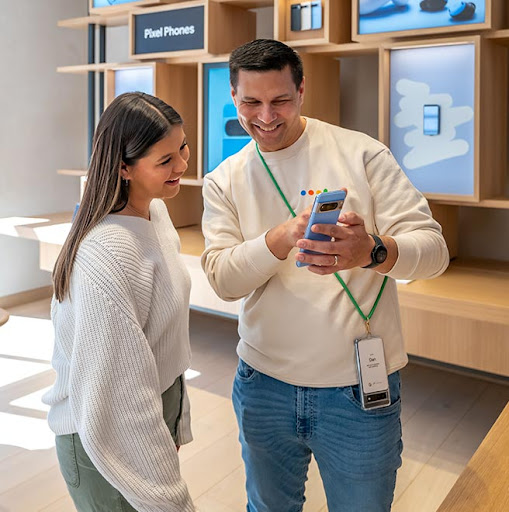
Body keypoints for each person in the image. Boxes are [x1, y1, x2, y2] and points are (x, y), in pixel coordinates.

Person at [201, 39, 449, 512]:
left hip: (357, 390)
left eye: (281, 101)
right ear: (234, 97)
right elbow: (222, 280)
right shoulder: (225, 179)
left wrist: (371, 251)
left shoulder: (362, 154)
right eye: (251, 102)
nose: (266, 117)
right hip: (263, 383)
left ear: (302, 90)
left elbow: (434, 252)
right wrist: (278, 239)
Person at [43, 92, 195, 512]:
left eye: (182, 148)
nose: (182, 165)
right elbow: (117, 394)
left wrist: (171, 425)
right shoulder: (105, 253)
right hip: (103, 435)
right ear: (123, 168)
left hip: (140, 421)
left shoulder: (155, 214)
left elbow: (158, 342)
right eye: (165, 161)